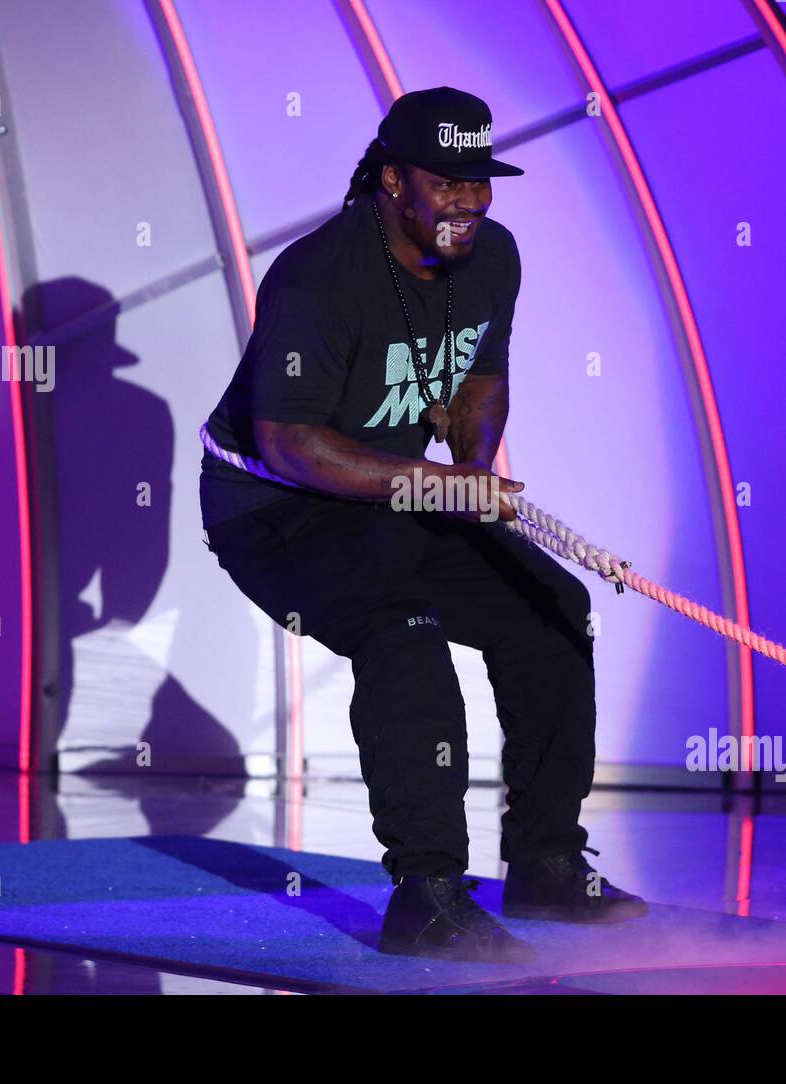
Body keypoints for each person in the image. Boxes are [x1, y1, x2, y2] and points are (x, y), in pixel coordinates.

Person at [199, 87, 646, 964]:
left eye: (481, 180)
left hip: (396, 494)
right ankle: (428, 894)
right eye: (447, 182)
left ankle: (548, 863)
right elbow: (290, 447)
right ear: (394, 179)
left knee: (550, 606)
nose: (470, 201)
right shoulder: (319, 274)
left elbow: (482, 378)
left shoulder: (492, 258)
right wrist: (439, 486)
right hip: (274, 507)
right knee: (401, 628)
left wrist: (471, 466)